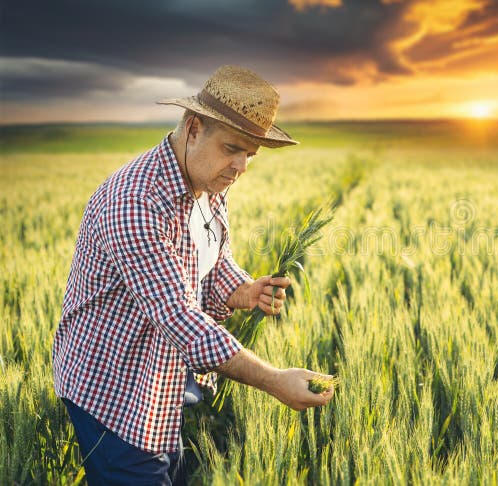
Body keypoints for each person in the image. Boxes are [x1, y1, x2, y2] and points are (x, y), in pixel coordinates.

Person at [52, 65, 334, 484]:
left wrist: (244, 289)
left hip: (164, 387)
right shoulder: (135, 203)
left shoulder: (207, 184)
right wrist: (275, 380)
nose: (239, 167)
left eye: (249, 156)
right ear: (193, 128)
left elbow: (214, 259)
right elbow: (179, 318)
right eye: (232, 149)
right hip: (115, 394)